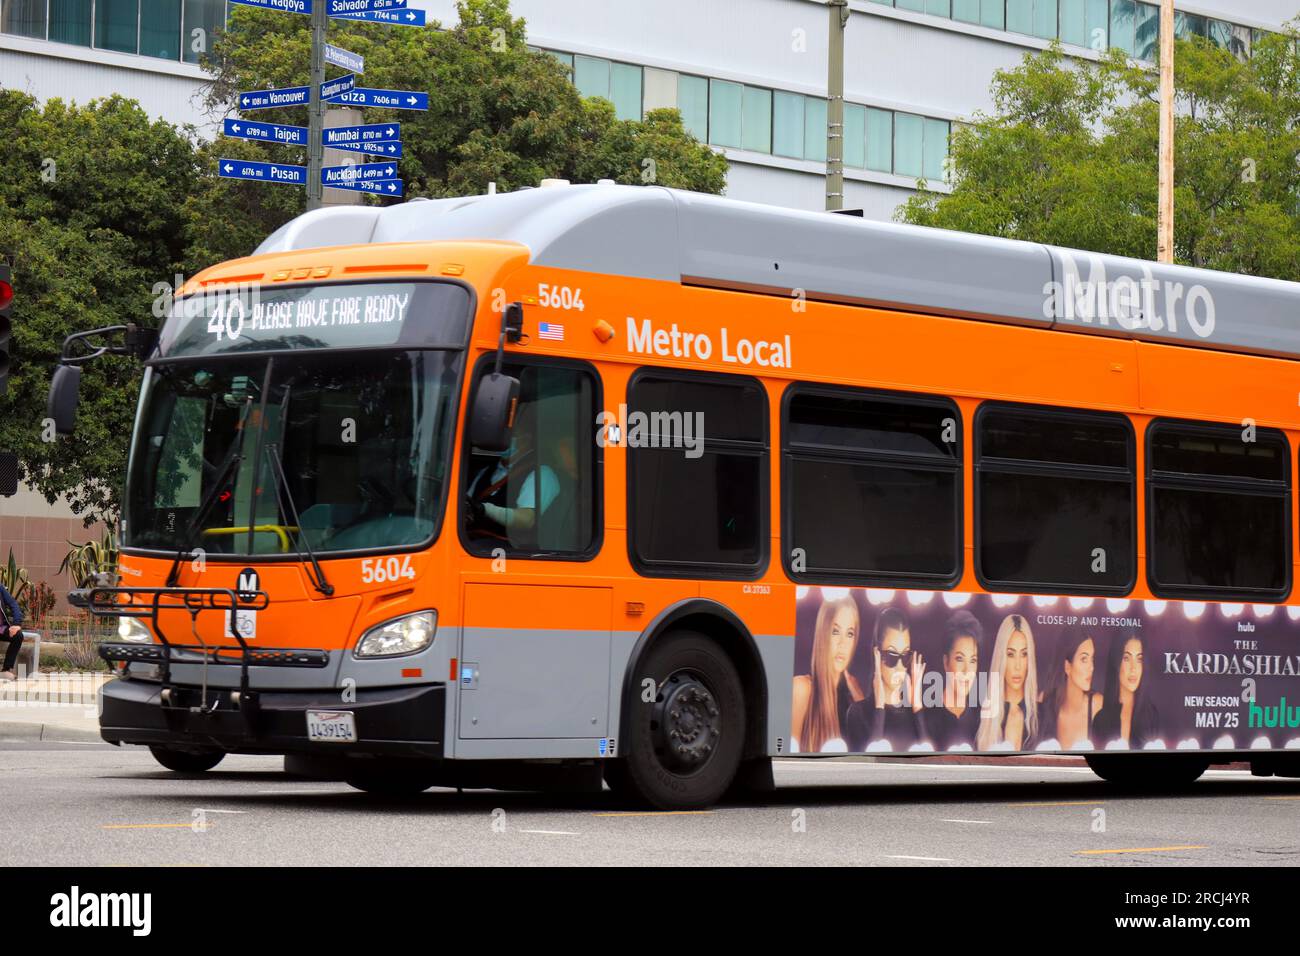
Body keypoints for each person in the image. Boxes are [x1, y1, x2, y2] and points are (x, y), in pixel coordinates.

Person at [465, 403, 561, 543]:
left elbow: (526, 520)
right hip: (474, 544)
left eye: (509, 434)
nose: (500, 438)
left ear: (527, 439)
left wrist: (486, 509)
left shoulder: (542, 474)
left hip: (512, 553)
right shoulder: (486, 471)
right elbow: (467, 502)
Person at [844, 606, 929, 751]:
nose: (900, 666)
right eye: (891, 656)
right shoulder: (858, 713)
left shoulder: (917, 712)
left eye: (905, 656)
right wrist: (879, 709)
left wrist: (917, 707)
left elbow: (932, 762)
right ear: (877, 654)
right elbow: (868, 767)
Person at [791, 596, 865, 752]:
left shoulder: (854, 698)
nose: (843, 643)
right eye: (835, 631)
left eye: (850, 634)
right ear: (823, 634)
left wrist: (861, 704)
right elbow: (788, 760)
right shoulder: (802, 689)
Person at [976, 613, 1039, 751]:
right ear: (1001, 657)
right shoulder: (983, 714)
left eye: (1024, 654)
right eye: (1010, 654)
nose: (1017, 666)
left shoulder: (1041, 715)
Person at [1092, 633, 1158, 749]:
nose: (1133, 668)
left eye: (1139, 659)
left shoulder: (1151, 716)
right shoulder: (1101, 718)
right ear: (1116, 662)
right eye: (1126, 658)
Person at [1039, 633, 1103, 749]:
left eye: (1092, 659)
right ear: (1067, 666)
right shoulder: (1044, 701)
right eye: (1084, 659)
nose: (1092, 667)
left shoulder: (1097, 705)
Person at [930, 609, 983, 751]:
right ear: (946, 662)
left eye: (973, 660)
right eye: (960, 659)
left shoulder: (982, 718)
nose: (967, 670)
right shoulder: (928, 717)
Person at [0, 579, 24, 681]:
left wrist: (16, 624)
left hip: (1, 628)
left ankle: (6, 669)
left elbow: (13, 603)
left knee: (18, 636)